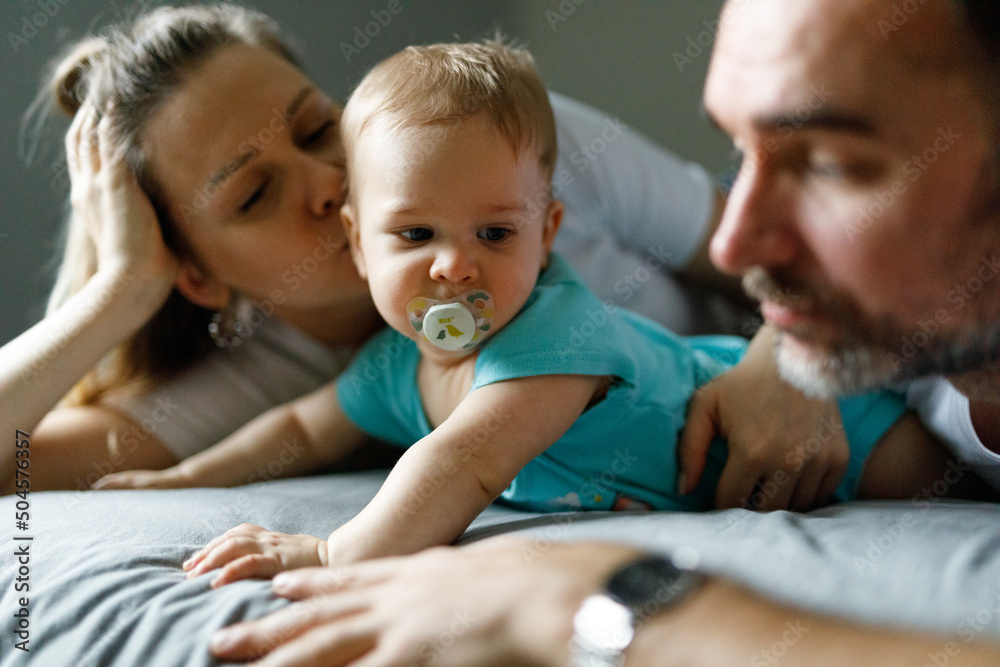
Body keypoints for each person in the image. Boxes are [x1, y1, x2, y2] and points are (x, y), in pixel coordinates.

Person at [206, 0, 1000, 664]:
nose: (731, 248)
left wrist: (600, 604)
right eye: (739, 152)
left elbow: (465, 459)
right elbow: (296, 425)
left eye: (829, 161)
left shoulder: (553, 331)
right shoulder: (895, 329)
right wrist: (776, 352)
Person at [2, 3, 801, 496]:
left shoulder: (507, 149)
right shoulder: (272, 367)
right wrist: (119, 291)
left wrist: (785, 361)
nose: (327, 180)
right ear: (201, 277)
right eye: (254, 194)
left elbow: (792, 248)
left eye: (319, 128)